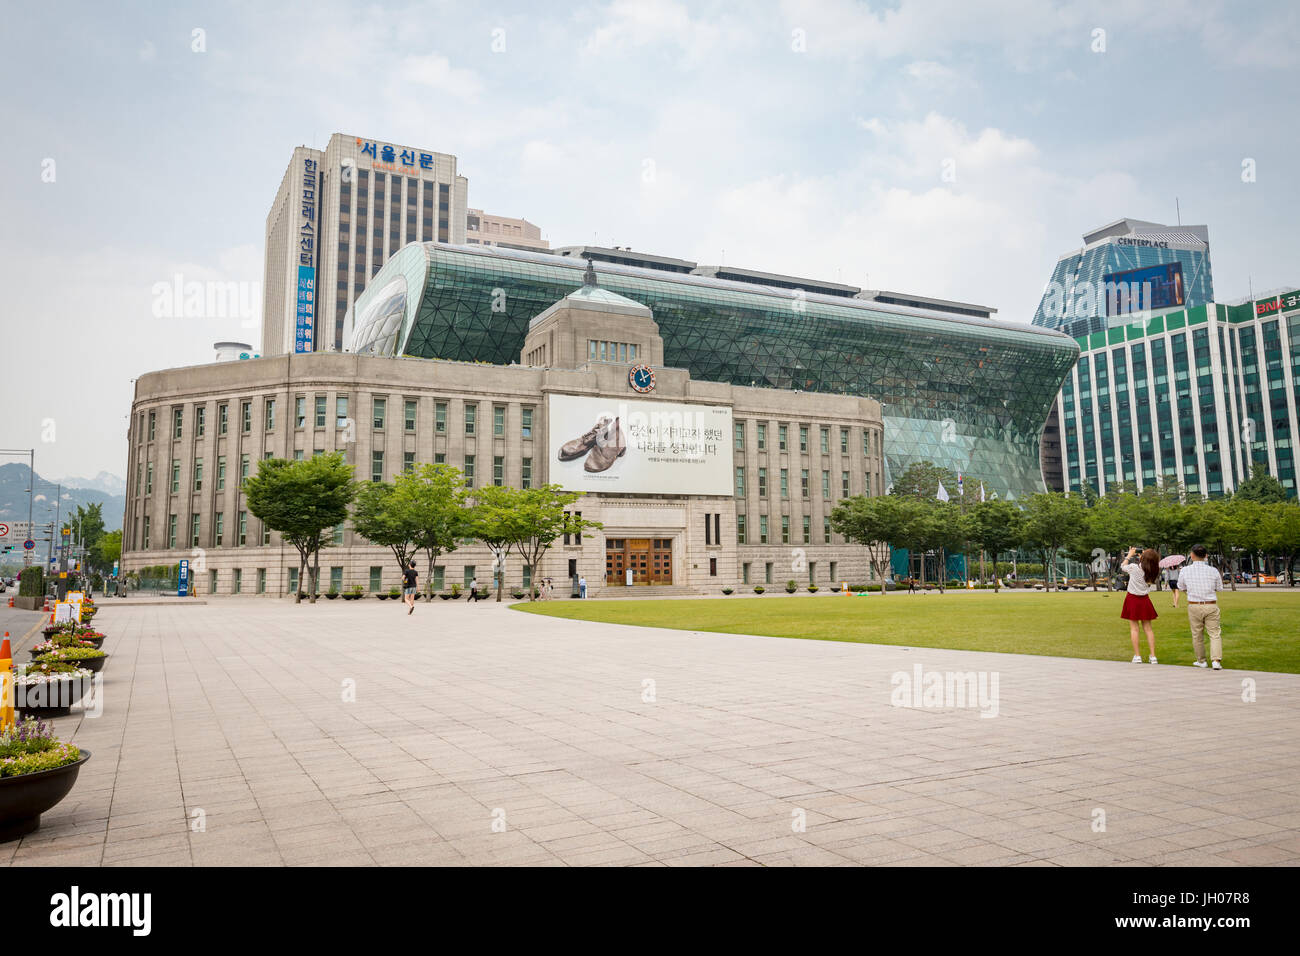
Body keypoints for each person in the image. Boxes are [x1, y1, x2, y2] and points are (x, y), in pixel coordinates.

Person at [1174, 544, 1225, 670]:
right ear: (1206, 556)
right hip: (1210, 604)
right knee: (1214, 633)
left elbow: (1181, 587)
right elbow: (1219, 588)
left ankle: (1201, 660)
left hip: (1194, 605)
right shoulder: (1213, 571)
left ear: (1191, 555)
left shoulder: (1185, 570)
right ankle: (1216, 661)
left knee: (1197, 634)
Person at [1120, 546, 1161, 663]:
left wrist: (1129, 555)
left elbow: (1122, 566)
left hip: (1133, 598)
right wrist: (1143, 558)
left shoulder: (1134, 568)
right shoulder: (1153, 570)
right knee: (1148, 629)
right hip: (1145, 599)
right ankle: (1153, 656)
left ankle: (1137, 656)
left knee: (1134, 629)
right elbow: (1146, 565)